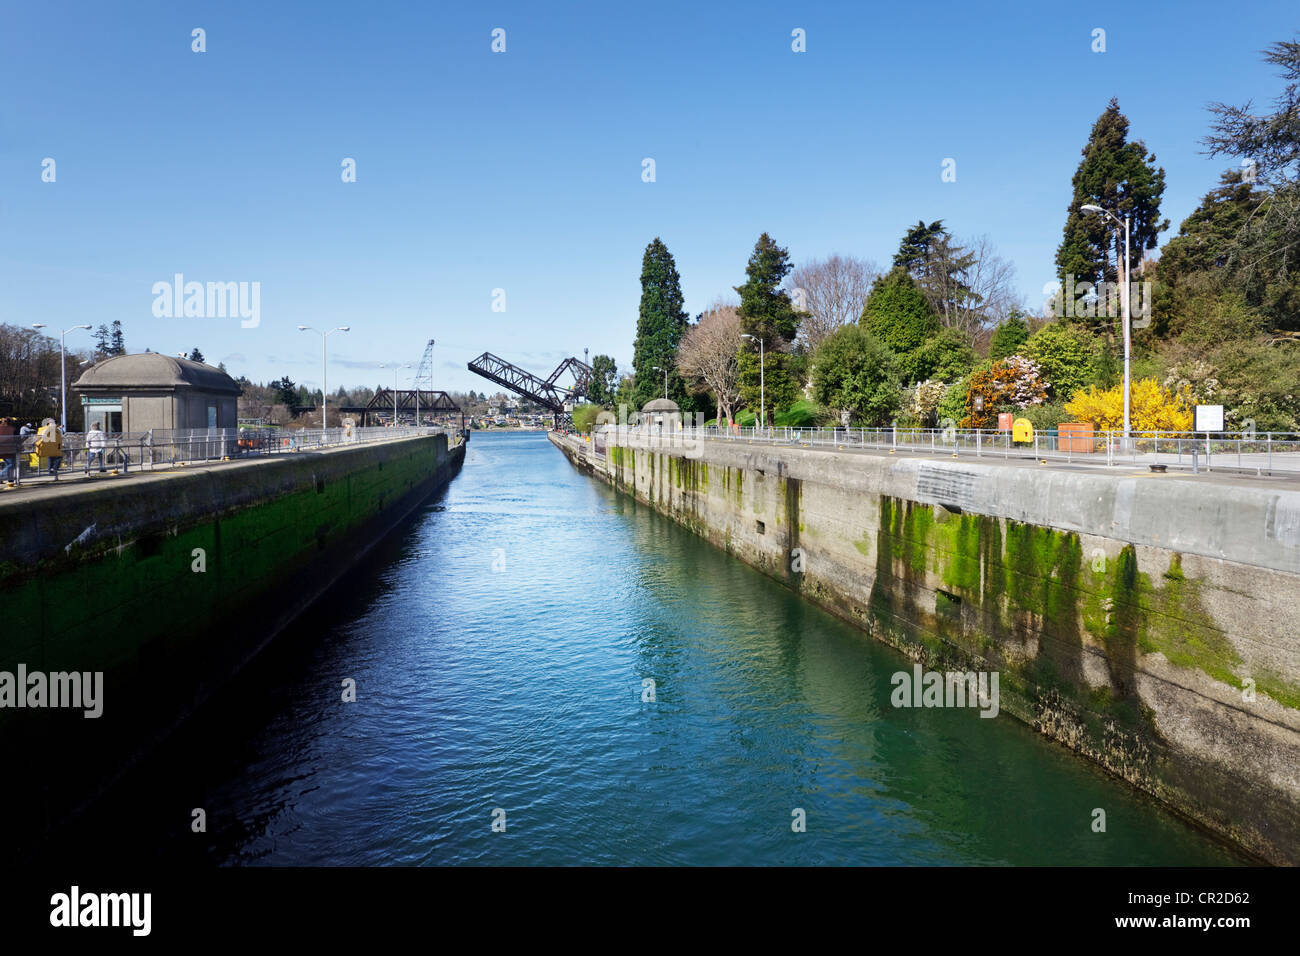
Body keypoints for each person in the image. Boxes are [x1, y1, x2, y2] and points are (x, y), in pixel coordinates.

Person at [0, 418, 19, 483]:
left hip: (1, 449)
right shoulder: (12, 429)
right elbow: (18, 438)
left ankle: (10, 480)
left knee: (8, 464)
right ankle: (1, 476)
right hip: (9, 449)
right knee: (11, 464)